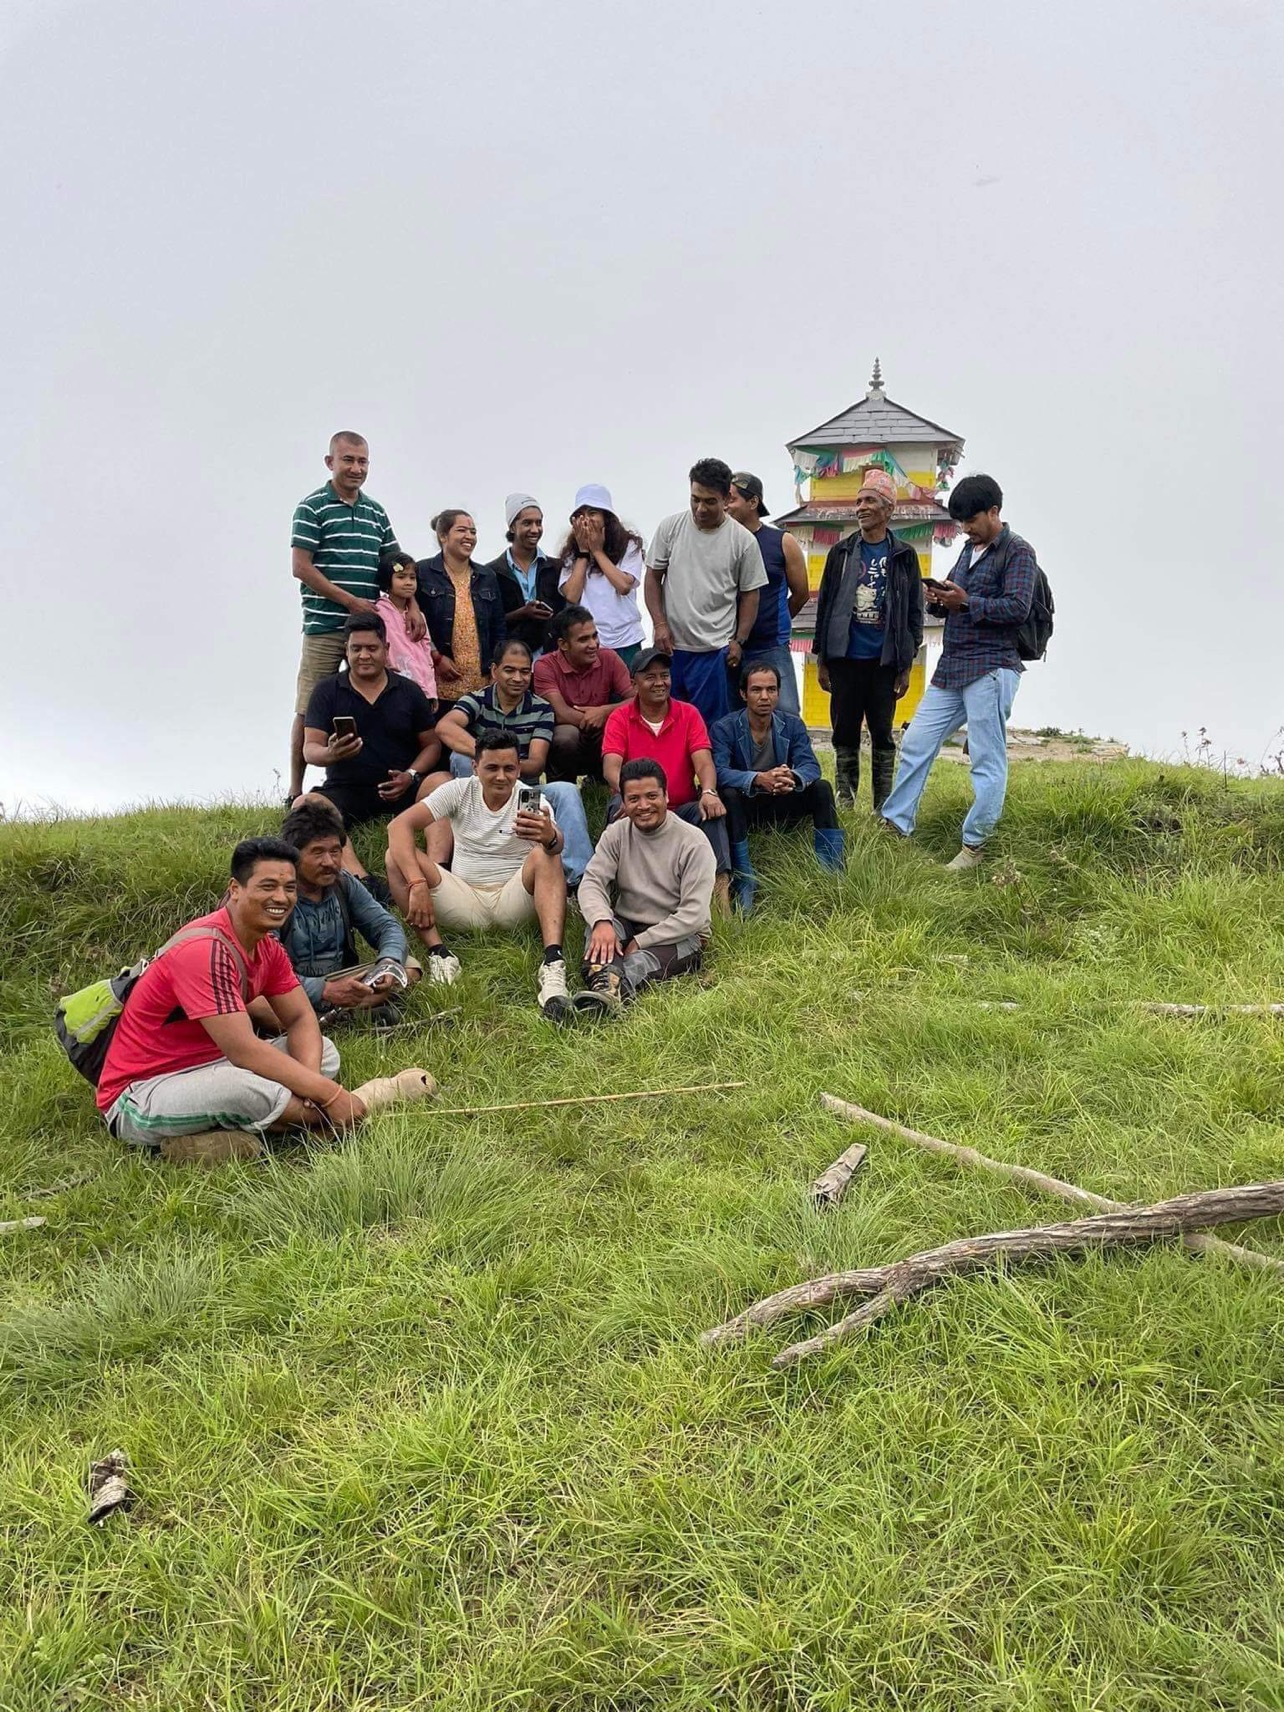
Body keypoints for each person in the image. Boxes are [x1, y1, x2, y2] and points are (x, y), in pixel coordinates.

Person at [96, 839, 435, 1164]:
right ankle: (356, 1105)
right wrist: (329, 1094)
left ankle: (220, 1140)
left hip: (213, 1066)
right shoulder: (204, 950)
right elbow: (244, 1050)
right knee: (242, 1088)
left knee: (325, 1053)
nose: (281, 898)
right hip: (142, 1093)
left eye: (289, 888)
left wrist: (310, 1085)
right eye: (268, 886)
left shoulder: (266, 947)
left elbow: (300, 1018)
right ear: (235, 889)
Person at [880, 473, 1038, 869]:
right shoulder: (969, 551)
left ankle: (974, 846)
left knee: (985, 758)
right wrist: (939, 599)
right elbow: (955, 600)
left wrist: (966, 602)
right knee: (916, 741)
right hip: (953, 666)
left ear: (994, 512)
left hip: (992, 666)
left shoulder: (1018, 551)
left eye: (972, 520)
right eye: (961, 521)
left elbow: (1018, 607)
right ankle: (896, 825)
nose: (966, 528)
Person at [385, 732, 572, 1017]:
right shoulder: (458, 790)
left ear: (518, 769)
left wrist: (550, 837)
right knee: (394, 856)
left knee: (547, 854)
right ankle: (440, 954)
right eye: (492, 768)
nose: (501, 777)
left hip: (513, 901)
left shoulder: (531, 800)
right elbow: (398, 826)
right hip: (464, 898)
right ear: (475, 767)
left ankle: (552, 963)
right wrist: (417, 883)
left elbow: (557, 846)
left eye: (509, 768)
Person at [289, 432, 422, 800]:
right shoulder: (312, 507)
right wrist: (349, 601)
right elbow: (301, 567)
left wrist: (412, 604)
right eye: (348, 459)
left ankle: (374, 783)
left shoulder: (375, 512)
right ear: (330, 462)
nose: (356, 468)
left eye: (362, 461)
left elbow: (397, 564)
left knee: (378, 701)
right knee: (309, 707)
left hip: (369, 629)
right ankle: (295, 789)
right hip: (325, 625)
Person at [430, 638, 594, 885]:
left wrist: (504, 767)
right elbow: (445, 727)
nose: (518, 678)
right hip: (480, 798)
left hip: (525, 796)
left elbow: (536, 763)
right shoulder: (477, 699)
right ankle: (472, 836)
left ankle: (578, 877)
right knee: (461, 758)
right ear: (495, 670)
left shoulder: (541, 708)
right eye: (510, 670)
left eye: (524, 671)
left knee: (567, 790)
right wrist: (488, 758)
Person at [300, 612, 440, 895]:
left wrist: (411, 775)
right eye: (356, 648)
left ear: (386, 649)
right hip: (347, 789)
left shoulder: (409, 691)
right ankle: (363, 883)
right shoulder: (327, 691)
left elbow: (432, 745)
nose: (364, 655)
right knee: (305, 804)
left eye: (372, 648)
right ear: (346, 650)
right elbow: (310, 749)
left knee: (443, 783)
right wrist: (331, 753)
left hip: (402, 789)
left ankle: (439, 871)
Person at [811, 467, 924, 811]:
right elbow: (825, 606)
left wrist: (906, 665)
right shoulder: (841, 553)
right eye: (859, 501)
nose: (861, 507)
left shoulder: (904, 555)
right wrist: (822, 659)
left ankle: (882, 806)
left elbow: (914, 613)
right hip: (845, 659)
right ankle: (845, 801)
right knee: (844, 732)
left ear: (888, 509)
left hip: (884, 662)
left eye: (870, 501)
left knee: (882, 734)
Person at [574, 759, 716, 1016]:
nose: (643, 806)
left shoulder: (694, 843)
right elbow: (592, 882)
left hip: (681, 933)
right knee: (599, 934)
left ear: (666, 795)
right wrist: (601, 921)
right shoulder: (616, 834)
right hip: (628, 920)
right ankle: (605, 991)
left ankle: (604, 995)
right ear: (623, 802)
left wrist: (641, 941)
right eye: (634, 799)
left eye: (651, 796)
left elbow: (693, 915)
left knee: (638, 962)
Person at [601, 647, 732, 909]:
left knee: (711, 812)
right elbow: (610, 767)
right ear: (633, 683)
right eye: (650, 677)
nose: (660, 682)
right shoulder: (620, 718)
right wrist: (630, 797)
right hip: (638, 805)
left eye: (665, 675)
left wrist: (708, 791)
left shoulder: (688, 714)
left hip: (681, 808)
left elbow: (704, 761)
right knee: (618, 808)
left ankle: (721, 899)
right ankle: (615, 893)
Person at [643, 457, 767, 727]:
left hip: (715, 651)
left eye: (710, 501)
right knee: (668, 725)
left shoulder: (743, 540)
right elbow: (652, 577)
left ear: (726, 499)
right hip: (672, 649)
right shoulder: (670, 528)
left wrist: (739, 640)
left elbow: (751, 594)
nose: (700, 508)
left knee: (710, 729)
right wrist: (659, 624)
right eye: (695, 499)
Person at [711, 662, 845, 911]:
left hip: (782, 799)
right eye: (756, 690)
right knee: (728, 794)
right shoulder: (724, 728)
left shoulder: (792, 724)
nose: (765, 697)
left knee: (822, 788)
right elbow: (719, 771)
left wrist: (791, 777)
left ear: (778, 693)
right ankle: (744, 878)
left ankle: (831, 871)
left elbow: (810, 766)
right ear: (743, 694)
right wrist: (757, 779)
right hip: (746, 805)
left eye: (771, 690)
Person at [277, 799, 419, 1020]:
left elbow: (386, 926)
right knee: (260, 1002)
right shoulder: (275, 894)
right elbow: (264, 970)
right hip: (290, 985)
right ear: (293, 855)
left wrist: (388, 962)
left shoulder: (343, 883)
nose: (329, 862)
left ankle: (334, 1016)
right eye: (317, 852)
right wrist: (322, 990)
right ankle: (346, 1013)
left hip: (342, 979)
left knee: (409, 967)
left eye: (335, 851)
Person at [725, 472, 810, 718]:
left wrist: (775, 618)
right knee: (731, 717)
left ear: (753, 502)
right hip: (726, 646)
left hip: (770, 646)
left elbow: (801, 594)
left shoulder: (782, 541)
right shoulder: (719, 542)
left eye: (731, 499)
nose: (725, 505)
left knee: (785, 715)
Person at [415, 510, 506, 710]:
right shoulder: (422, 572)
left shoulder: (487, 576)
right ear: (443, 536)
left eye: (473, 532)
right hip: (437, 685)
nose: (469, 536)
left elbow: (499, 627)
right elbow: (412, 623)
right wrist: (436, 657)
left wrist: (497, 669)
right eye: (462, 530)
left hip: (481, 686)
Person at [533, 604, 633, 783]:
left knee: (621, 728)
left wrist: (604, 712)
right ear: (563, 644)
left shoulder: (609, 658)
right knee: (565, 736)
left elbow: (636, 700)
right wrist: (595, 718)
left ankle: (605, 784)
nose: (593, 644)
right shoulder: (545, 665)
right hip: (569, 734)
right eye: (583, 639)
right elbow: (560, 713)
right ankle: (562, 789)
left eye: (594, 636)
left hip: (602, 731)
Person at [556, 484, 646, 668]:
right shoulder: (571, 552)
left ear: (606, 517)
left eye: (592, 513)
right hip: (591, 642)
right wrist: (583, 552)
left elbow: (624, 586)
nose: (586, 520)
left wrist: (597, 551)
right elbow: (571, 595)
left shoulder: (629, 544)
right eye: (580, 515)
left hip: (626, 639)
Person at [486, 494, 564, 656]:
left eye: (538, 523)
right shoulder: (491, 573)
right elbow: (489, 622)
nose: (535, 530)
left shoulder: (556, 568)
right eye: (527, 523)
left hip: (551, 657)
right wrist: (522, 613)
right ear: (512, 527)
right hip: (511, 659)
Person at [376, 550, 439, 702]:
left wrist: (431, 693)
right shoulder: (379, 613)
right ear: (387, 580)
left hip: (423, 690)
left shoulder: (419, 616)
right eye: (401, 577)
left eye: (412, 577)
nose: (408, 582)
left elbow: (427, 655)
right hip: (393, 689)